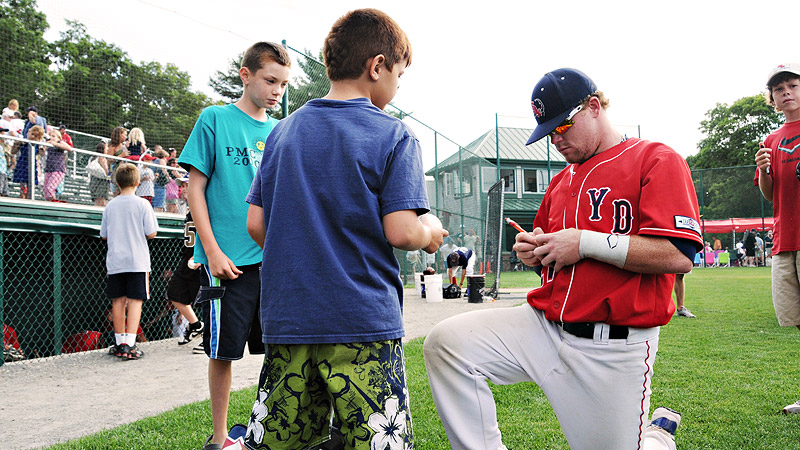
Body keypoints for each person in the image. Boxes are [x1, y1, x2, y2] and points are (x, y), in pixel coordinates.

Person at [423, 68, 703, 450]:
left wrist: (586, 242)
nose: (556, 140)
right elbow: (551, 254)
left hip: (611, 347)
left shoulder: (655, 158)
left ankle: (656, 439)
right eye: (548, 132)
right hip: (542, 327)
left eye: (562, 127)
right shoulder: (561, 181)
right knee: (448, 343)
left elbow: (678, 255)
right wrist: (533, 252)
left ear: (593, 107)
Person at [242, 11, 447, 449]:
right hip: (361, 324)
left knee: (285, 440)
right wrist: (428, 230)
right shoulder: (393, 134)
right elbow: (401, 230)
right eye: (399, 74)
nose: (397, 86)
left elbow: (256, 223)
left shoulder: (282, 133)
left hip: (289, 321)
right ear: (377, 66)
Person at [178, 41, 292, 450]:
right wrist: (210, 250)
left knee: (283, 351)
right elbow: (195, 190)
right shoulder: (214, 119)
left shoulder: (281, 131)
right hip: (226, 260)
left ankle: (271, 431)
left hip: (274, 261)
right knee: (223, 352)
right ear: (246, 75)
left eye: (283, 83)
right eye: (270, 80)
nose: (277, 90)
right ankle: (221, 438)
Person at [754, 63, 800, 414]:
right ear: (772, 98)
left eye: (793, 85)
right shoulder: (770, 141)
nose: (786, 92)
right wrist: (764, 169)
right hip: (785, 239)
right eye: (779, 88)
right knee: (794, 318)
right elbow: (770, 195)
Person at [100, 163, 158, 360]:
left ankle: (119, 342)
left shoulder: (110, 205)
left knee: (118, 301)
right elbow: (151, 233)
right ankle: (131, 344)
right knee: (135, 301)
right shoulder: (143, 204)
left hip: (115, 260)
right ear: (137, 182)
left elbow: (104, 235)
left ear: (117, 183)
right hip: (137, 260)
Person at [166, 208, 204, 348]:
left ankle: (210, 338)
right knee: (174, 293)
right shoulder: (191, 211)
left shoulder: (208, 206)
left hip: (203, 260)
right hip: (187, 259)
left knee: (207, 301)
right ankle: (196, 325)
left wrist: (202, 254)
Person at [12, 124, 44, 199]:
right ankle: (22, 198)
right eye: (32, 134)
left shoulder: (37, 145)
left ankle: (28, 199)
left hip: (32, 167)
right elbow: (13, 151)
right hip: (23, 165)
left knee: (30, 188)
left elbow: (42, 154)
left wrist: (41, 145)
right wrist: (17, 144)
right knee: (23, 187)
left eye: (35, 136)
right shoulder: (23, 142)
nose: (32, 137)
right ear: (29, 131)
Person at [43, 126, 72, 202]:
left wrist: (55, 143)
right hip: (49, 169)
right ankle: (49, 202)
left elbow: (69, 148)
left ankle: (52, 202)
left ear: (58, 137)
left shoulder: (60, 142)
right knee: (46, 189)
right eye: (51, 136)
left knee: (50, 188)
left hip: (58, 169)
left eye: (53, 136)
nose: (51, 138)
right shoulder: (49, 144)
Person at [88, 141, 110, 206]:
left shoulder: (93, 158)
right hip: (101, 183)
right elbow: (106, 171)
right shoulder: (102, 158)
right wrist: (109, 177)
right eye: (106, 148)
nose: (107, 150)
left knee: (98, 201)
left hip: (94, 182)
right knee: (101, 201)